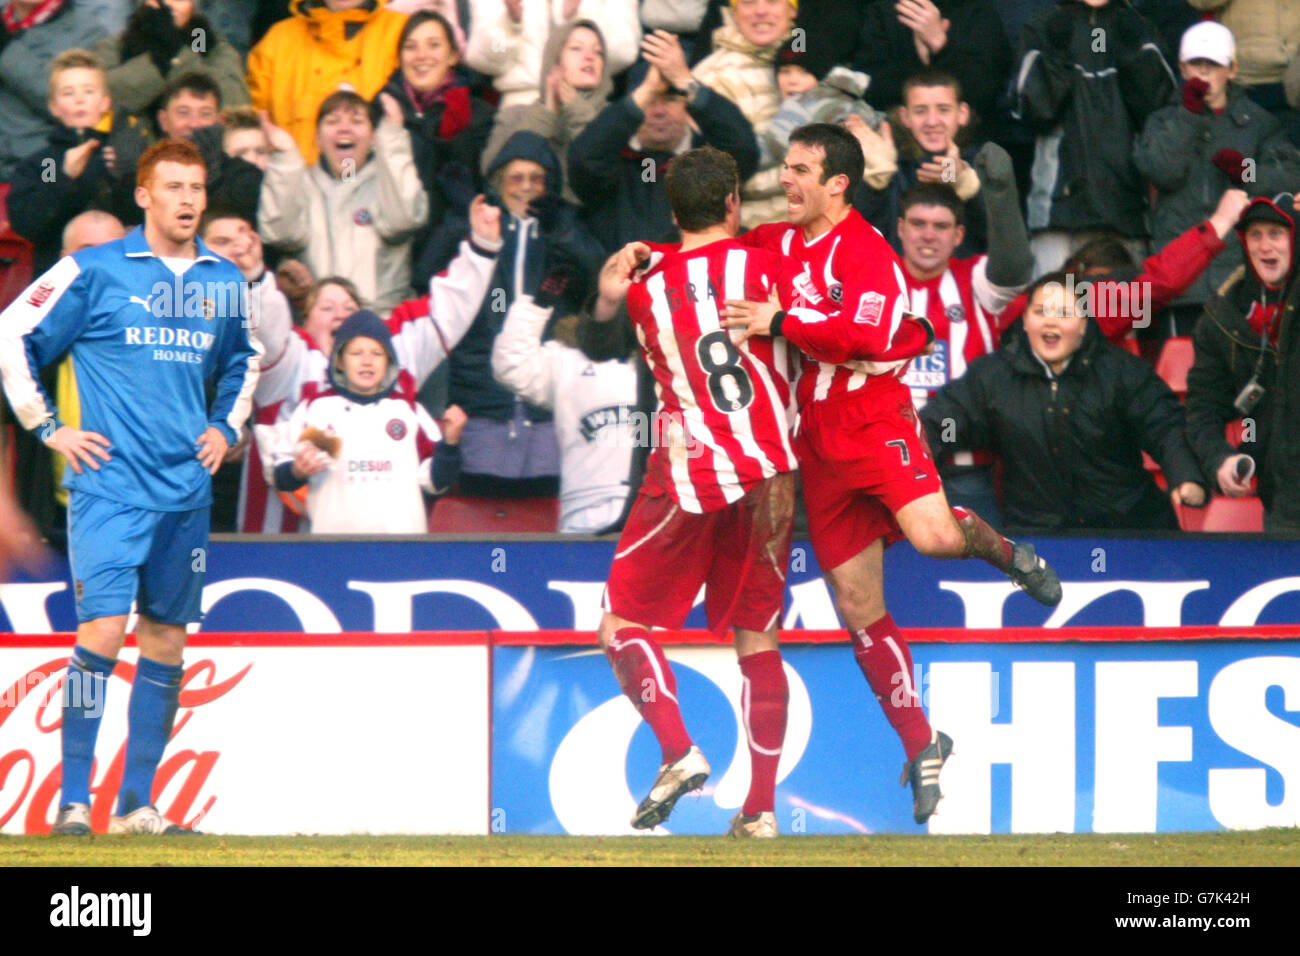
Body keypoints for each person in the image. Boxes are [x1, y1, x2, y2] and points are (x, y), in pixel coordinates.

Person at [725, 123, 1063, 825]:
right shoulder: (779, 242)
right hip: (815, 446)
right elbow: (715, 252)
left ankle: (1009, 553)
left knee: (937, 538)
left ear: (837, 184)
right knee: (858, 610)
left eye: (798, 171)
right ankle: (922, 740)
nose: (784, 181)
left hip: (876, 424)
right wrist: (655, 256)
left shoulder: (868, 253)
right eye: (784, 168)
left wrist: (781, 321)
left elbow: (866, 338)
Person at [0, 138, 259, 835]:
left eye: (196, 188)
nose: (186, 200)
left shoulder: (224, 279)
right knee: (103, 632)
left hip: (185, 492)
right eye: (172, 187)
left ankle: (138, 805)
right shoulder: (92, 270)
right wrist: (47, 426)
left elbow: (246, 360)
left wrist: (225, 428)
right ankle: (74, 803)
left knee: (168, 640)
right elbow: (10, 331)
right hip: (108, 486)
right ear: (142, 196)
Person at [595, 145, 805, 839]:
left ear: (671, 209)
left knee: (622, 623)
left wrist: (646, 258)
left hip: (689, 464)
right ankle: (762, 811)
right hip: (771, 466)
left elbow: (668, 313)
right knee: (758, 632)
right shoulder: (766, 263)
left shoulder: (643, 290)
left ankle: (678, 749)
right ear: (735, 203)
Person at [246, 195, 502, 530]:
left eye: (350, 308)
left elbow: (447, 312)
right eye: (326, 308)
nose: (340, 313)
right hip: (303, 539)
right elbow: (268, 325)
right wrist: (254, 278)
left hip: (398, 546)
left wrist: (482, 248)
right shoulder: (291, 363)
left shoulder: (403, 392)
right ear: (305, 321)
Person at [920, 272, 1208, 530]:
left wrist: (1185, 476)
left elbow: (1165, 427)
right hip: (1037, 537)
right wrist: (912, 468)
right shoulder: (993, 376)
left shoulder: (1122, 371)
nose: (1051, 321)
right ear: (1025, 321)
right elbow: (947, 421)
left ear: (1083, 324)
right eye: (1041, 311)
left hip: (1129, 529)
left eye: (1064, 313)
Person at [442, 129, 602, 497]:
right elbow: (427, 275)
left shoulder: (569, 225)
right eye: (516, 178)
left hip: (548, 404)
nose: (527, 187)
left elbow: (598, 277)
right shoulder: (475, 224)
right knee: (482, 512)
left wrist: (559, 229)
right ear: (499, 181)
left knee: (544, 515)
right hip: (483, 399)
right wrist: (465, 221)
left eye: (537, 178)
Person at [892, 144, 1035, 522]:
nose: (928, 236)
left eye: (940, 227)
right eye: (918, 224)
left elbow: (1017, 266)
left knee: (978, 571)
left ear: (958, 235)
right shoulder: (876, 279)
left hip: (964, 471)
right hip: (887, 468)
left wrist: (997, 192)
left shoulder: (974, 278)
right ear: (900, 229)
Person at [1133, 20, 1300, 335]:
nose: (1204, 72)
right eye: (1196, 63)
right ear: (1182, 69)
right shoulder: (1162, 121)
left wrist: (1246, 171)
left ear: (1233, 70)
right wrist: (1188, 115)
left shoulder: (1260, 123)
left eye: (1213, 64)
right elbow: (1162, 170)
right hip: (1178, 281)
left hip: (1238, 279)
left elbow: (1291, 177)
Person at [1015, 0, 1175, 275]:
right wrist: (1056, 54)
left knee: (1123, 315)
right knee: (1051, 313)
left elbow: (1159, 114)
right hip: (1057, 211)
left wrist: (1132, 54)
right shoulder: (1044, 25)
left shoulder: (1139, 27)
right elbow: (1034, 111)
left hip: (1124, 211)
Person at [272, 310, 465, 532]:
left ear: (389, 362)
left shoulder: (409, 410)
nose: (367, 361)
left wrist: (450, 443)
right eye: (356, 353)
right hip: (333, 549)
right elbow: (280, 476)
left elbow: (437, 482)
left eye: (377, 353)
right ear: (340, 360)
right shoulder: (315, 409)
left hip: (402, 549)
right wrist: (298, 471)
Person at [257, 89, 429, 316]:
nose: (344, 128)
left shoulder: (389, 184)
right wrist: (286, 157)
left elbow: (405, 219)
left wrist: (393, 138)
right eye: (332, 121)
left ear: (373, 137)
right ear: (317, 138)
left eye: (357, 121)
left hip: (381, 326)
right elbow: (279, 234)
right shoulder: (298, 183)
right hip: (316, 329)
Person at [1186, 194, 1300, 531]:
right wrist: (1219, 459)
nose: (1265, 246)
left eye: (1276, 234)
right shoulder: (1223, 316)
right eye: (1255, 235)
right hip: (1282, 502)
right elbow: (1201, 409)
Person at [491, 274, 638, 533]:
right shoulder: (568, 356)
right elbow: (512, 366)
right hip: (585, 509)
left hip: (661, 511)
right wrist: (536, 307)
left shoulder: (675, 354)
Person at [568, 57, 758, 252]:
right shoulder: (610, 165)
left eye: (669, 99)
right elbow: (583, 160)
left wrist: (688, 83)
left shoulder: (710, 162)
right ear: (635, 105)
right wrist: (645, 90)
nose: (659, 111)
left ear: (686, 106)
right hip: (625, 279)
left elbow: (744, 149)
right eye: (649, 100)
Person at [7, 48, 149, 274]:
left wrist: (129, 175)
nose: (79, 99)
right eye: (68, 93)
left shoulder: (126, 152)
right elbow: (29, 224)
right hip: (59, 282)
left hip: (123, 278)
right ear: (54, 107)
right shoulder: (48, 163)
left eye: (89, 91)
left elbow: (148, 220)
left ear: (105, 103)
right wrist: (64, 177)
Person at [246, 0, 408, 165]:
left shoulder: (403, 33)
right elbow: (251, 133)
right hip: (292, 184)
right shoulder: (278, 40)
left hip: (374, 184)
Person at [853, 70, 988, 258]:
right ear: (905, 116)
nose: (932, 121)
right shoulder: (888, 165)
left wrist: (966, 185)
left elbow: (1003, 240)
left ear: (962, 113)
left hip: (963, 282)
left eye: (943, 109)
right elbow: (861, 240)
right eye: (920, 111)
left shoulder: (986, 162)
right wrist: (874, 183)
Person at [479, 18, 610, 205]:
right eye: (576, 48)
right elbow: (495, 177)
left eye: (598, 51)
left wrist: (576, 108)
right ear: (553, 62)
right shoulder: (513, 116)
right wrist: (547, 111)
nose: (590, 56)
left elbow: (605, 179)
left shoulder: (619, 118)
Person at [688, 0, 796, 226]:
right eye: (748, 2)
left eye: (773, 1)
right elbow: (716, 180)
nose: (760, 10)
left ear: (792, 10)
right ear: (734, 13)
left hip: (816, 228)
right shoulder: (710, 78)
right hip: (751, 232)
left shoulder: (816, 66)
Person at [850, 0, 1012, 128]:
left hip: (960, 145)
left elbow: (983, 94)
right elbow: (870, 89)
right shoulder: (883, 12)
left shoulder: (980, 14)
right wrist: (920, 66)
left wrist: (940, 47)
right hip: (895, 141)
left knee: (947, 167)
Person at [0, 0, 109, 181]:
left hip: (45, 165)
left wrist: (7, 52)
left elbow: (71, 103)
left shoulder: (87, 31)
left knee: (44, 197)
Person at [462, 0, 639, 110]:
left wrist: (577, 20)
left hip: (588, 103)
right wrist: (509, 25)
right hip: (522, 105)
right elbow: (484, 60)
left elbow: (624, 53)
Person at [93, 0, 249, 124]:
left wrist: (176, 54)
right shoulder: (116, 45)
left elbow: (234, 108)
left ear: (194, 6)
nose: (168, 4)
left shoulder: (209, 45)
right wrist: (158, 62)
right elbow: (100, 100)